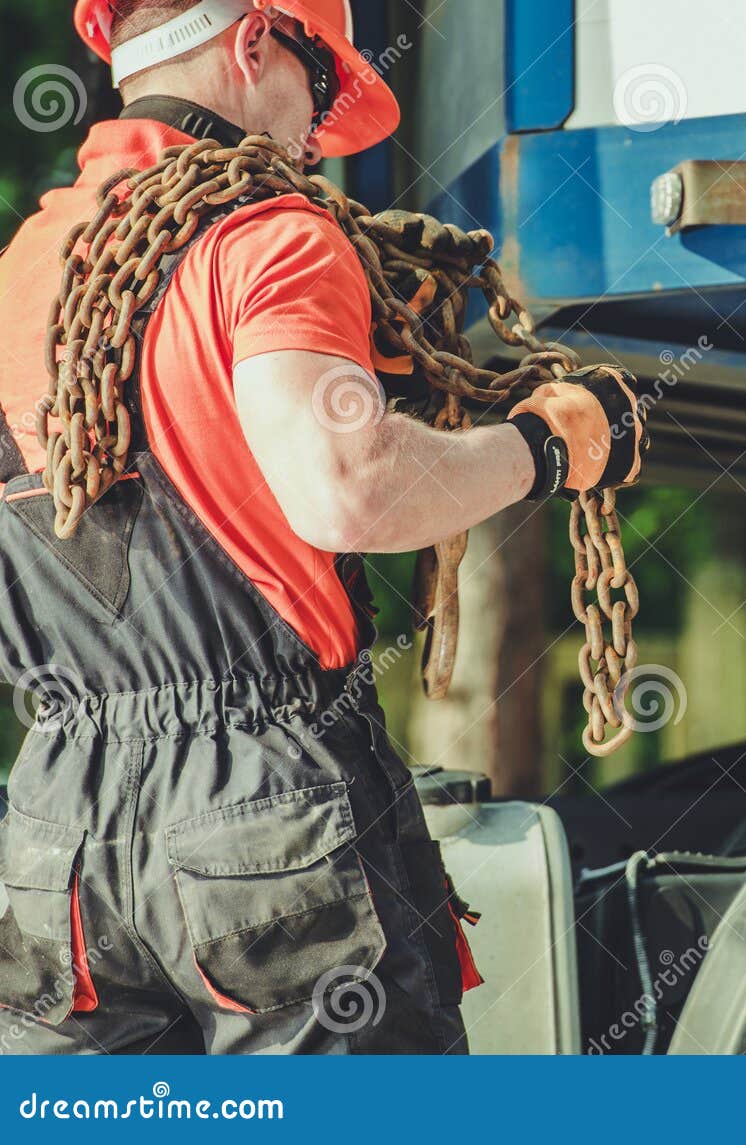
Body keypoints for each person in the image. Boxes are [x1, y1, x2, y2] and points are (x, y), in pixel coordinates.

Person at [0, 0, 643, 1053]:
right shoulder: (266, 236)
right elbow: (349, 485)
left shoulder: (24, 265)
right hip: (259, 815)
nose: (314, 137)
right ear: (256, 41)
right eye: (321, 89)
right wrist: (546, 444)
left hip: (57, 831)